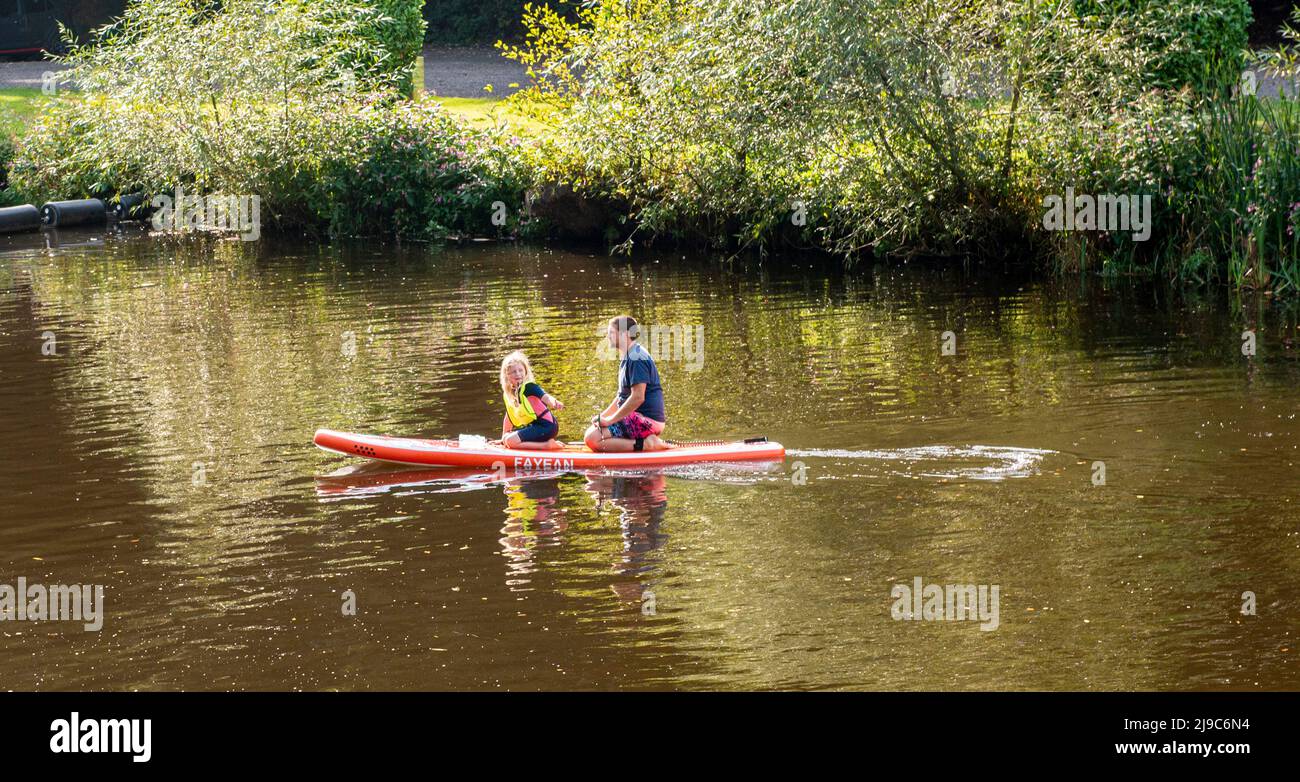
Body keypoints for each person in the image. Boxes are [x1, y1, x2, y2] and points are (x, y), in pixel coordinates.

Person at [584, 315, 673, 452]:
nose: (608, 337)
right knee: (592, 433)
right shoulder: (628, 356)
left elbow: (638, 397)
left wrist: (610, 421)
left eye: (611, 333)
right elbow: (621, 397)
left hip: (646, 421)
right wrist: (604, 417)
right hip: (633, 417)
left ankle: (647, 445)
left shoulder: (636, 357)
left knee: (592, 438)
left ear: (624, 334)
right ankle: (641, 442)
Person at [498, 351, 564, 451]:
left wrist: (554, 402)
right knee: (507, 439)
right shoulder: (510, 393)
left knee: (511, 441)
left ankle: (547, 445)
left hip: (547, 427)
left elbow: (545, 396)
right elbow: (509, 417)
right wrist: (503, 439)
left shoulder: (529, 387)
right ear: (507, 375)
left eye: (520, 370)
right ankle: (545, 443)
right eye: (514, 371)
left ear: (525, 372)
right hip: (535, 426)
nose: (518, 374)